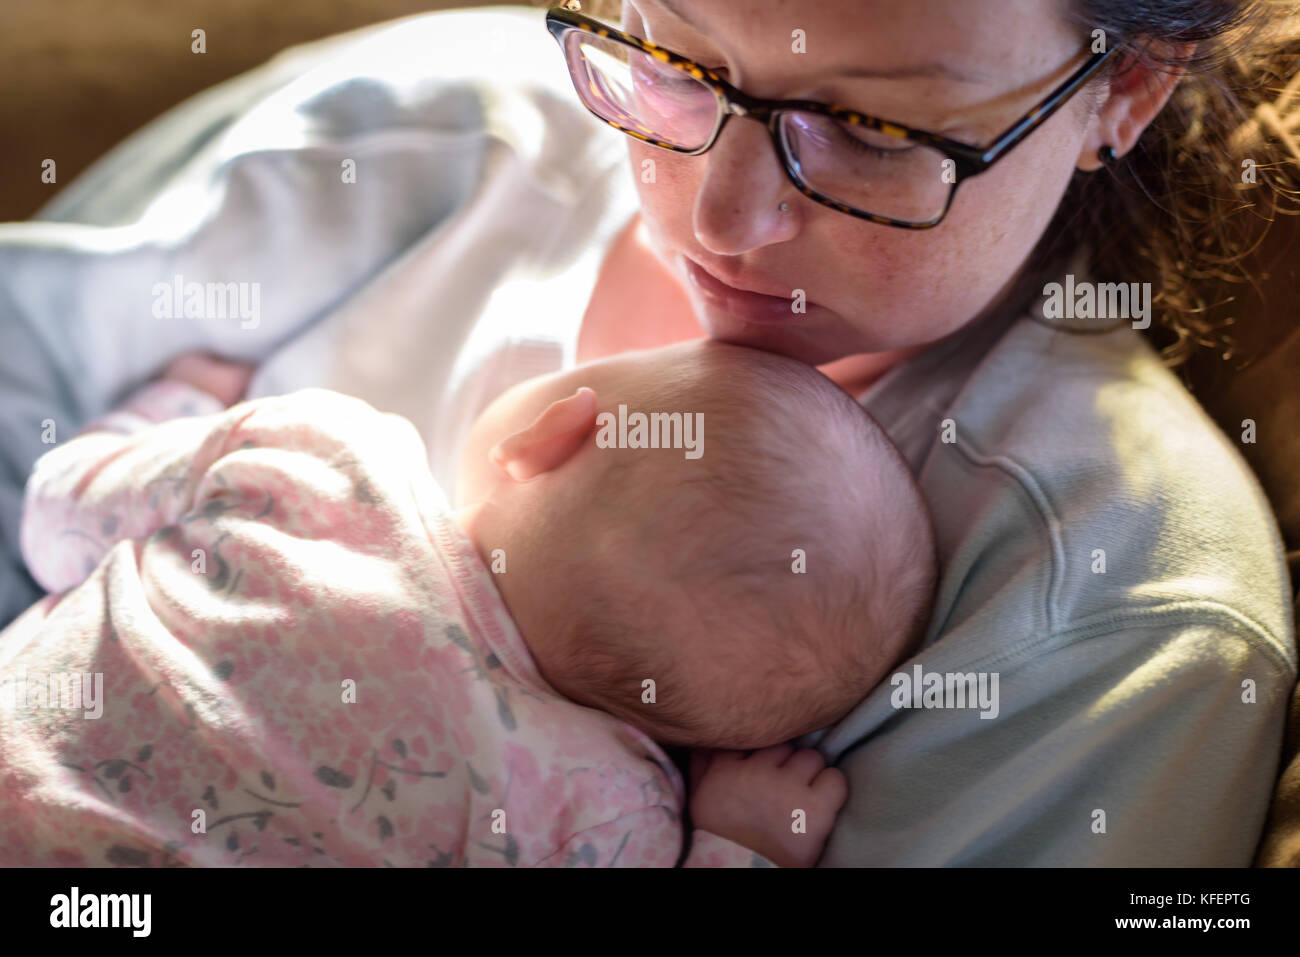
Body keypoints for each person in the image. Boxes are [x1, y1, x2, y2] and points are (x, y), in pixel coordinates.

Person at [1, 0, 1296, 865]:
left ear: (1126, 85)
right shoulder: (430, 129)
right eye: (672, 60)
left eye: (873, 129)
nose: (723, 220)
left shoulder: (1122, 613)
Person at [0, 341, 935, 867]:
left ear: (551, 428)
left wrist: (163, 405)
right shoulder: (609, 813)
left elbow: (55, 519)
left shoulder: (316, 454)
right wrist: (740, 844)